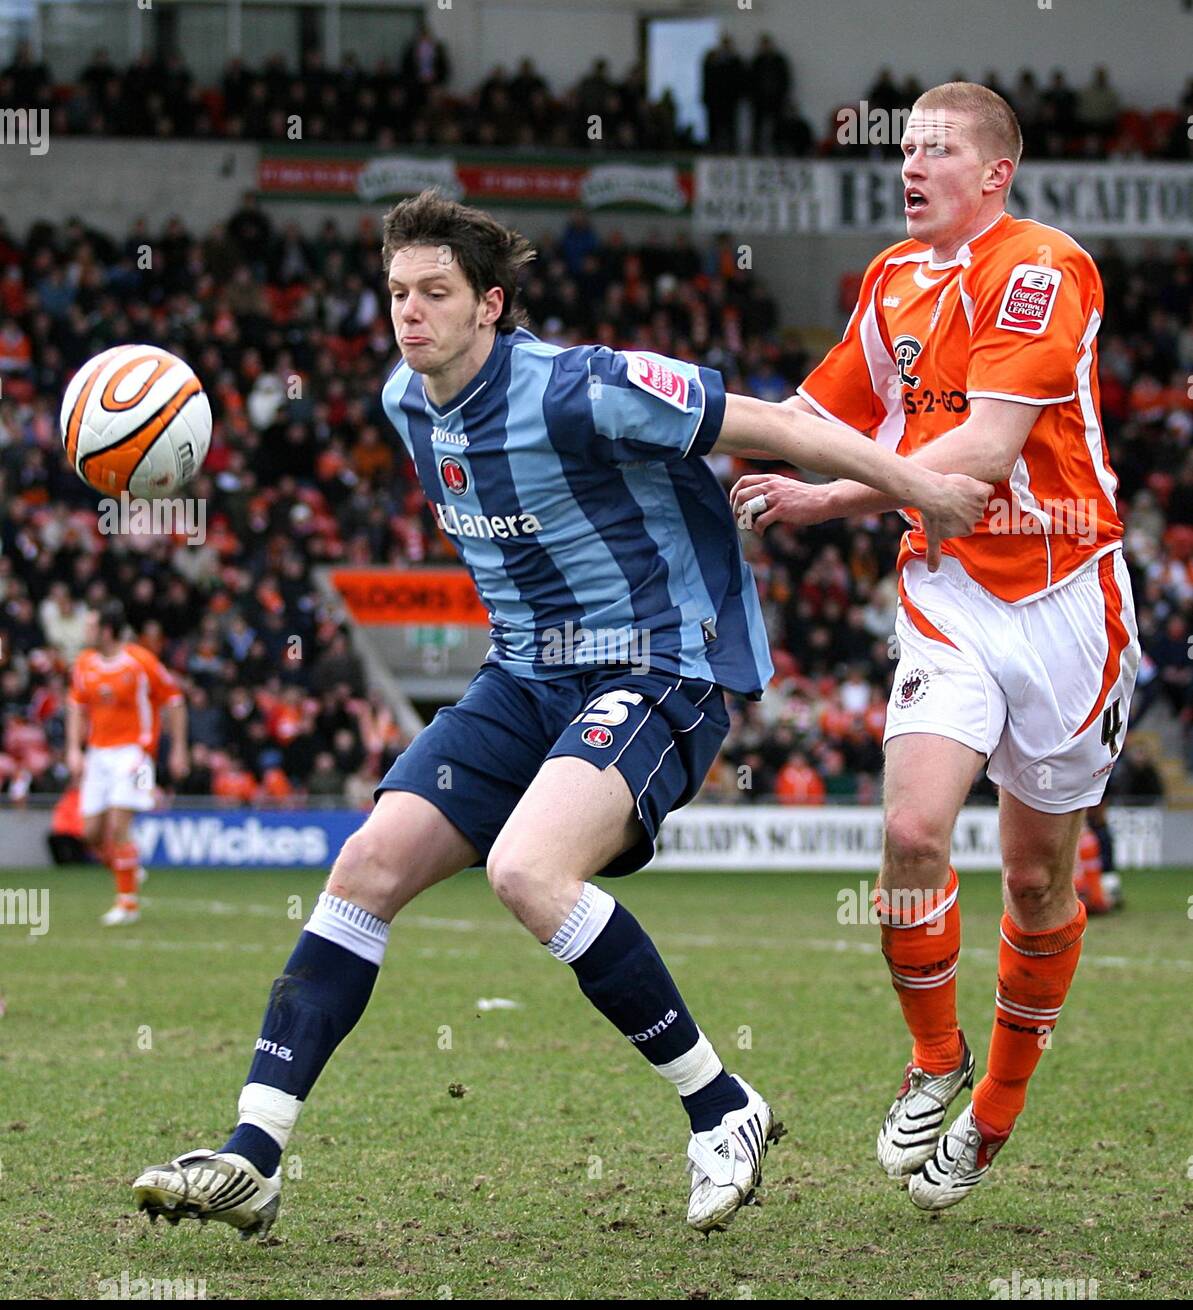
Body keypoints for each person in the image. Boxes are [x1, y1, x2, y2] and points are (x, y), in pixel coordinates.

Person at [132, 189, 987, 1239]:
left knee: (526, 871)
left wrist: (918, 487)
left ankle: (723, 1110)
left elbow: (768, 424)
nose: (411, 312)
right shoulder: (407, 403)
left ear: (489, 303)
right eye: (397, 292)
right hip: (523, 676)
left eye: (435, 292)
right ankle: (253, 1154)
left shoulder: (585, 385)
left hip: (660, 664)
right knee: (363, 869)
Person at [731, 83, 1140, 1210]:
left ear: (994, 171)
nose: (909, 165)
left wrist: (815, 502)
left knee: (1031, 875)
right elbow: (807, 417)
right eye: (904, 147)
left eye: (937, 149)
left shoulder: (1039, 265)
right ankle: (931, 1058)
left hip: (1065, 597)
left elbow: (983, 452)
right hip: (947, 593)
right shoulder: (890, 279)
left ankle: (995, 1111)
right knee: (911, 828)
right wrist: (679, 425)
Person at [65, 601, 188, 924]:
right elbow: (76, 706)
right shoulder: (84, 663)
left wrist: (178, 749)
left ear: (107, 630)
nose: (86, 631)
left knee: (119, 827)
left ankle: (127, 905)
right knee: (91, 833)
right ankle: (129, 867)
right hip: (98, 754)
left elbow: (174, 700)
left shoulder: (140, 661)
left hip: (135, 754)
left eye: (91, 625)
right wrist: (74, 750)